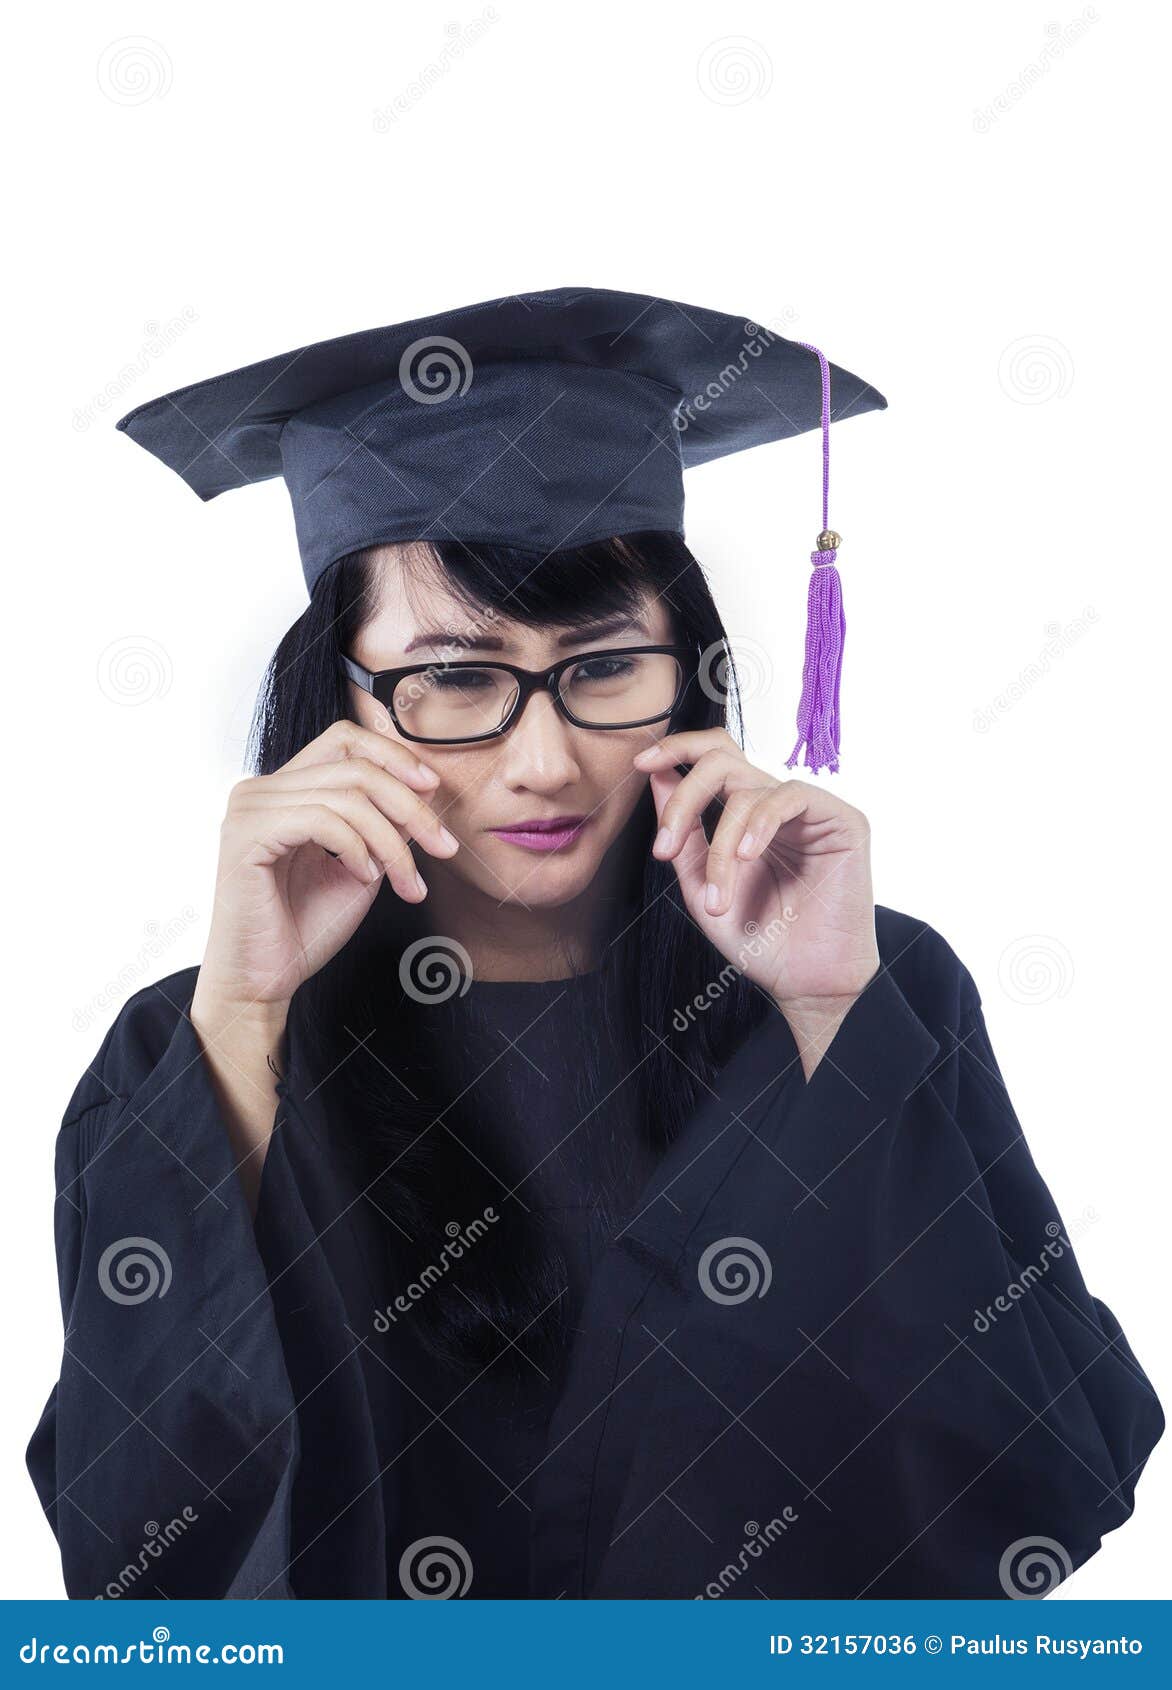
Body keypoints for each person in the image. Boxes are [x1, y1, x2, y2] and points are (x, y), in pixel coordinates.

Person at [27, 290, 1163, 1600]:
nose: (545, 760)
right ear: (338, 698)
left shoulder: (872, 981)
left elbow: (1034, 1474)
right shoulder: (193, 1044)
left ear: (691, 670)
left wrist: (831, 1019)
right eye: (457, 678)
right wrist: (242, 1017)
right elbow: (137, 1548)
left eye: (606, 667)